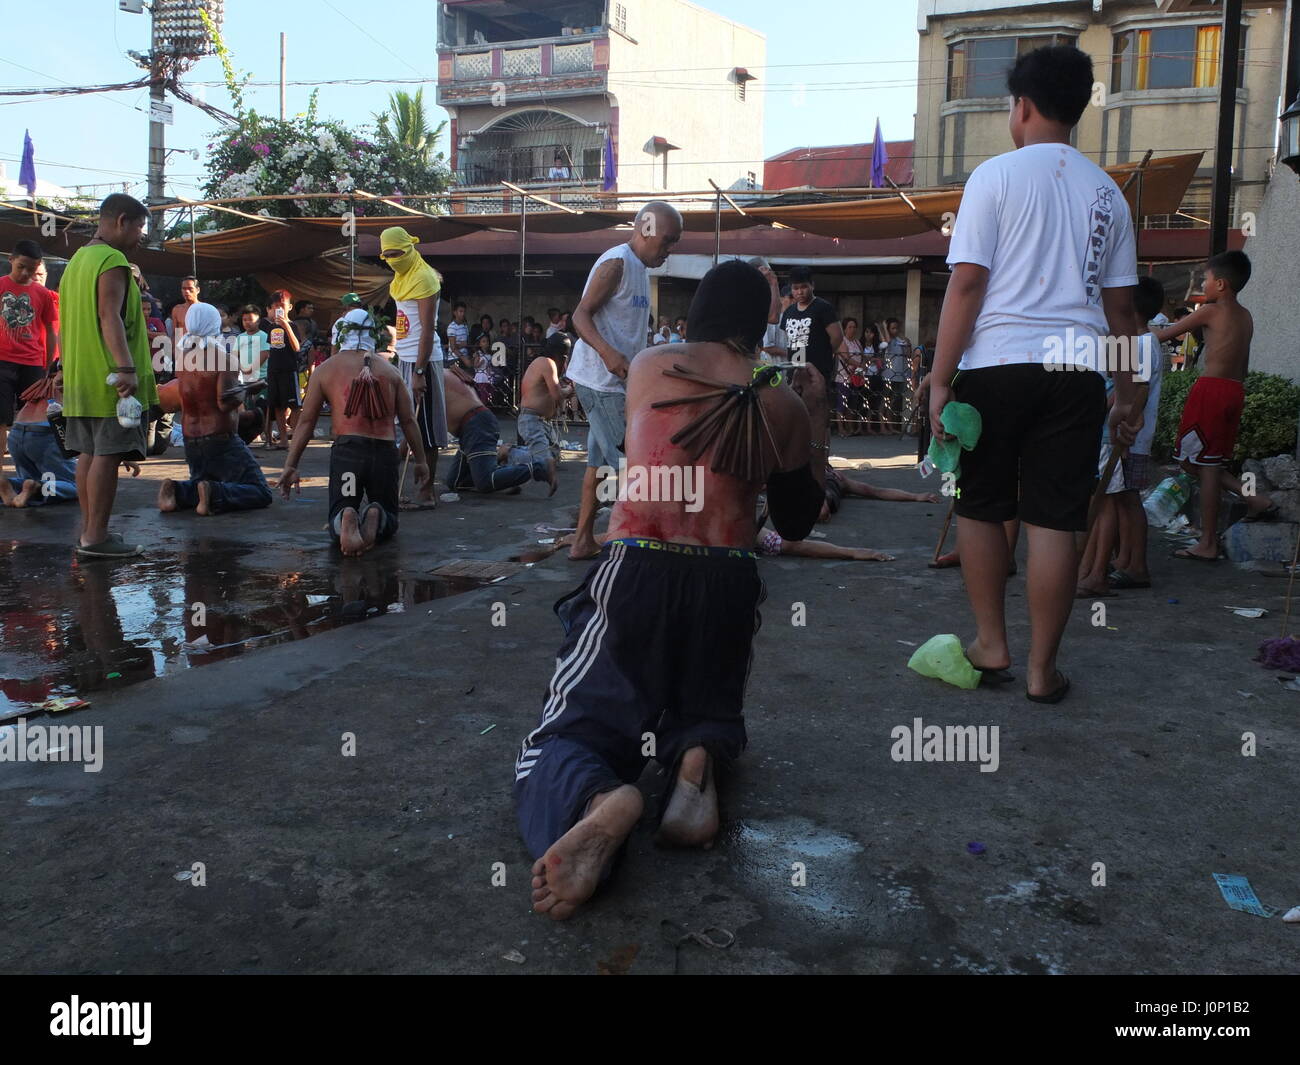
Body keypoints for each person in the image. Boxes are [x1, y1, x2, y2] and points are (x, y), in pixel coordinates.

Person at [514, 260, 827, 921]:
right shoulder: (783, 402)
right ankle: (693, 767)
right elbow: (797, 519)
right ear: (760, 320)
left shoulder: (654, 366)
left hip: (642, 565)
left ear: (700, 313)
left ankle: (600, 799)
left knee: (566, 736)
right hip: (727, 583)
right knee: (706, 702)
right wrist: (806, 416)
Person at [927, 44, 1142, 704]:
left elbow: (966, 286)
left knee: (983, 505)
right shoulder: (1108, 193)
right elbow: (1123, 311)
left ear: (1019, 107)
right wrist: (1129, 395)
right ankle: (1045, 671)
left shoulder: (993, 176)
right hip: (1075, 370)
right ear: (1077, 110)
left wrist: (939, 379)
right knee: (1055, 518)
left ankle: (992, 643)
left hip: (994, 367)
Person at [566, 201, 684, 560]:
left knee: (598, 465)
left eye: (673, 244)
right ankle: (638, 542)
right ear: (646, 229)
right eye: (666, 241)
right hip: (600, 384)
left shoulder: (639, 270)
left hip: (618, 384)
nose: (668, 250)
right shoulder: (615, 263)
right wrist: (607, 353)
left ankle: (582, 541)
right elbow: (579, 315)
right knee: (635, 461)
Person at [279, 309, 430, 556]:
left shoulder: (326, 369)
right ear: (375, 335)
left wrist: (291, 464)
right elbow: (409, 421)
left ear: (342, 335)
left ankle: (345, 515)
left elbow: (306, 421)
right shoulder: (390, 372)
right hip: (383, 454)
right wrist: (421, 461)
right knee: (388, 516)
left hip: (348, 454)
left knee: (342, 505)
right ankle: (377, 514)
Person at [60, 193, 159, 558]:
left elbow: (69, 324)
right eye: (138, 228)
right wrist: (125, 368)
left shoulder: (76, 262)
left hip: (81, 377)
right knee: (108, 454)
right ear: (121, 221)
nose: (139, 237)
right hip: (110, 381)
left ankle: (90, 532)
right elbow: (109, 316)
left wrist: (62, 369)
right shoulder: (112, 259)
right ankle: (97, 537)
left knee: (88, 453)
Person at [1158, 250, 1274, 560]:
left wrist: (1128, 332)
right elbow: (1244, 363)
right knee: (1199, 462)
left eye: (1205, 280)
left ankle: (1207, 542)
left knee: (1205, 467)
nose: (1202, 285)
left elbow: (1163, 335)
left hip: (1211, 390)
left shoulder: (1209, 310)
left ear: (1220, 284)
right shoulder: (1246, 316)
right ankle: (1253, 499)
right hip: (1235, 390)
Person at [157, 303, 273, 517]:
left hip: (191, 439)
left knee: (204, 480)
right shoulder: (224, 359)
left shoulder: (184, 361)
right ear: (215, 324)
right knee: (260, 491)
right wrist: (249, 389)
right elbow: (225, 402)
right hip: (220, 438)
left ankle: (178, 491)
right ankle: (214, 495)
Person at [379, 227, 447, 507]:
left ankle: (426, 492)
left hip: (424, 361)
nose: (394, 259)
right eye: (389, 256)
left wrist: (420, 372)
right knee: (407, 424)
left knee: (426, 429)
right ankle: (397, 487)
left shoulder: (424, 278)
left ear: (410, 248)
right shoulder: (401, 276)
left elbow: (427, 331)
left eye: (398, 254)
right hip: (404, 358)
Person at [1, 239, 60, 478]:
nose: (26, 273)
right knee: (2, 420)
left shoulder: (43, 294)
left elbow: (51, 331)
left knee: (36, 421)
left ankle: (36, 476)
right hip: (2, 361)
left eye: (32, 269)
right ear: (11, 260)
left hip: (34, 363)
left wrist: (47, 367)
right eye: (21, 267)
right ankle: (1, 479)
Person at [443, 362, 534, 494]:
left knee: (485, 482)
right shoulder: (445, 373)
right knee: (455, 482)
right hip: (468, 430)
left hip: (476, 424)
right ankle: (501, 472)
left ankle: (538, 467)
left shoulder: (438, 376)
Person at [0, 359, 77, 508]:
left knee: (32, 478)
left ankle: (9, 484)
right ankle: (36, 489)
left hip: (16, 434)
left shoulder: (41, 386)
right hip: (44, 435)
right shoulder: (66, 385)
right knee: (79, 484)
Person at [779, 266, 844, 422]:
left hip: (818, 371)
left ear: (812, 285)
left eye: (804, 287)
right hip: (794, 370)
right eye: (796, 288)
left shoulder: (823, 308)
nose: (800, 292)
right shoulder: (789, 312)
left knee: (818, 415)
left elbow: (837, 337)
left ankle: (821, 446)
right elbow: (789, 338)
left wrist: (823, 354)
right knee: (795, 414)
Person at [518, 333, 574, 495]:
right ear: (562, 356)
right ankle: (508, 453)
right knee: (545, 461)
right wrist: (570, 390)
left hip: (541, 421)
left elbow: (553, 393)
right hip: (531, 419)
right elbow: (557, 395)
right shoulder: (547, 363)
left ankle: (515, 456)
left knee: (554, 456)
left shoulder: (545, 363)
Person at [259, 290, 301, 450]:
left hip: (289, 369)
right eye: (276, 307)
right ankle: (283, 439)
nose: (280, 309)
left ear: (289, 307)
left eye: (282, 306)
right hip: (273, 370)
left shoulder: (293, 325)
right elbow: (271, 348)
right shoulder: (270, 328)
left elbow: (296, 347)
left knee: (295, 406)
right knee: (277, 406)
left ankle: (296, 437)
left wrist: (285, 326)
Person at [169, 276, 200, 351]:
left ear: (197, 290)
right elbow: (175, 333)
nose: (186, 291)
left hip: (200, 351)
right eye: (184, 288)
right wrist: (174, 351)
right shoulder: (177, 309)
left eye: (190, 289)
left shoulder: (205, 309)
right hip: (182, 351)